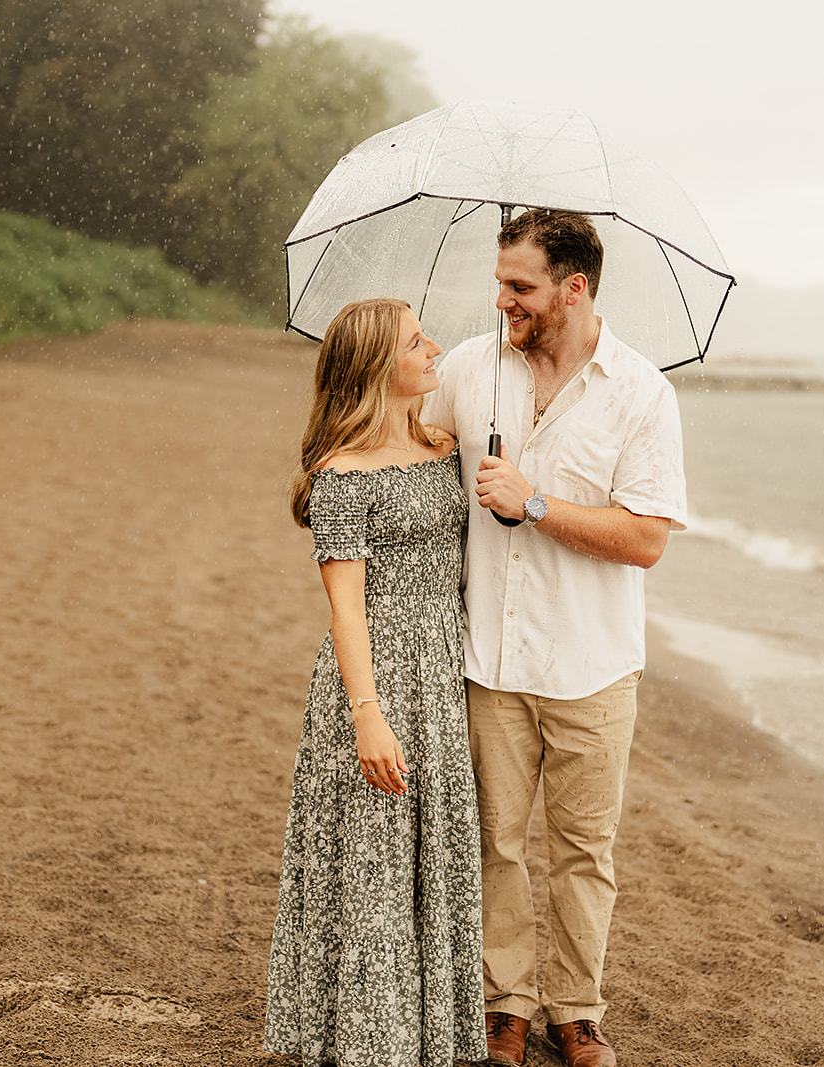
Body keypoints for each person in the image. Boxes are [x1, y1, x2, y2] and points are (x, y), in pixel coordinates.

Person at [423, 211, 688, 1067]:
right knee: (495, 843)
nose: (503, 300)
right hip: (489, 659)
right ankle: (505, 1003)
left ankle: (576, 1012)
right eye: (501, 283)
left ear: (574, 288)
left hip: (592, 665)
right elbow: (413, 445)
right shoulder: (470, 368)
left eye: (521, 287)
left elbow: (645, 537)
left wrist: (532, 503)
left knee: (583, 853)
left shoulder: (640, 392)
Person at [264, 298, 487, 1067]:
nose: (435, 348)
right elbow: (346, 610)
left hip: (442, 673)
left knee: (433, 848)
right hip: (376, 680)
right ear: (375, 367)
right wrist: (368, 715)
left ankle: (428, 1028)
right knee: (373, 856)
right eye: (416, 342)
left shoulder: (444, 445)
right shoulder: (339, 475)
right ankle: (369, 1036)